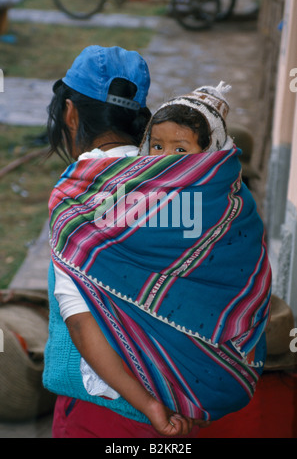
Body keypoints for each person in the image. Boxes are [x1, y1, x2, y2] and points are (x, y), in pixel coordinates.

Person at [43, 46, 272, 438]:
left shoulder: (80, 197)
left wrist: (148, 406)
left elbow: (81, 324)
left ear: (69, 113)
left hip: (107, 412)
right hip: (190, 404)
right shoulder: (201, 189)